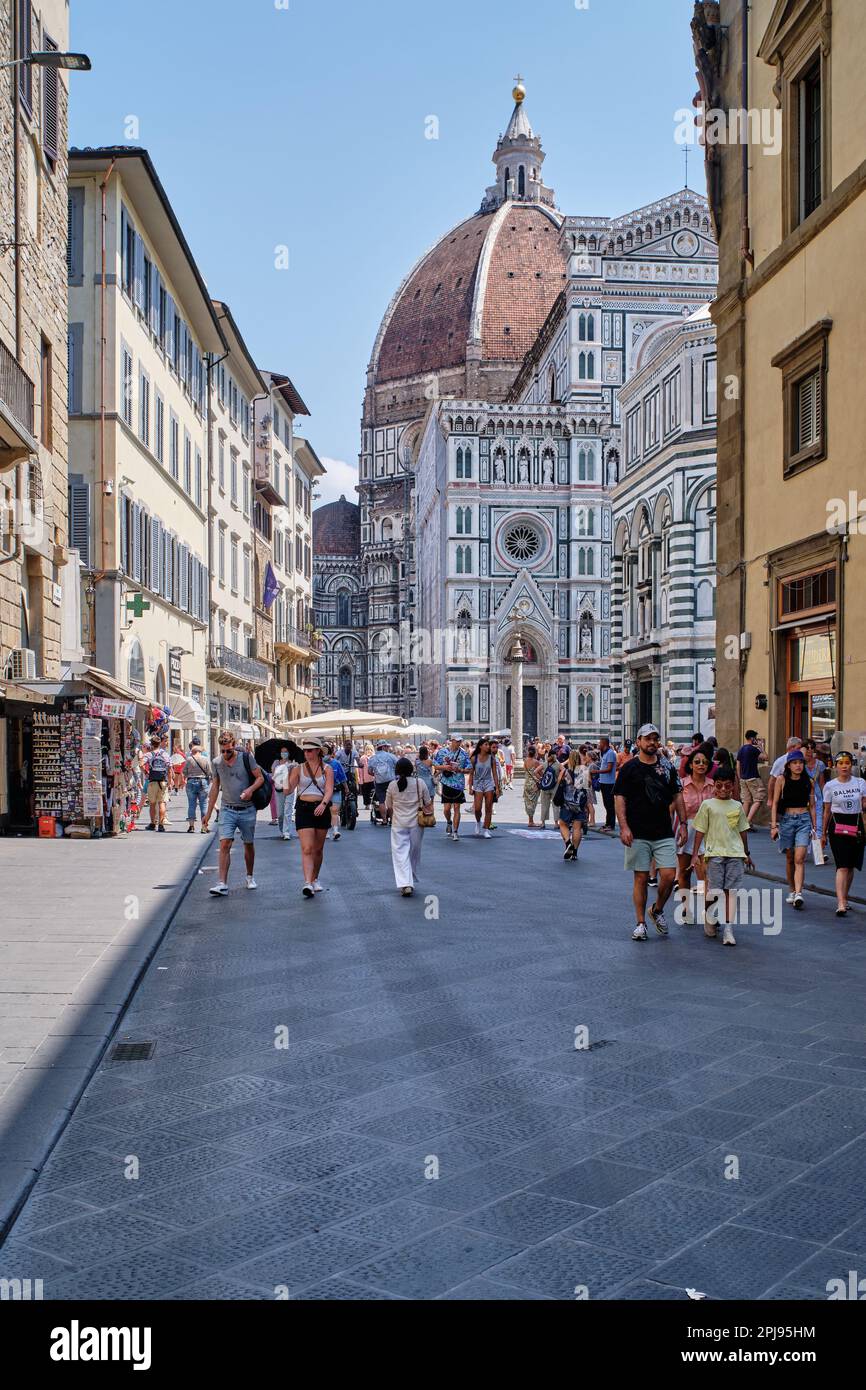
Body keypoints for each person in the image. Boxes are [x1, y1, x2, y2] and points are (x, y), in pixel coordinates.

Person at [613, 723, 688, 941]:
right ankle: (640, 923)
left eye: (655, 739)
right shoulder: (629, 768)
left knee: (668, 876)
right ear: (638, 742)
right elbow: (620, 798)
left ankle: (657, 910)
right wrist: (624, 827)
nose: (652, 743)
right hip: (637, 832)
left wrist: (683, 824)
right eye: (648, 739)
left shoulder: (667, 767)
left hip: (663, 830)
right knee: (641, 878)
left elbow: (677, 795)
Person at [690, 767, 754, 946]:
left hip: (735, 854)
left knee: (730, 892)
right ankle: (710, 917)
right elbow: (700, 831)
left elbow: (742, 831)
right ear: (714, 787)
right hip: (714, 853)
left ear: (733, 787)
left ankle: (728, 929)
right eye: (719, 786)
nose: (724, 790)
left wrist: (747, 853)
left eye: (727, 786)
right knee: (715, 891)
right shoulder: (708, 805)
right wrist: (695, 854)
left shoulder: (738, 806)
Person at [202, 730, 264, 895]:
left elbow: (260, 778)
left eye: (228, 750)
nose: (225, 754)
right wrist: (208, 813)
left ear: (234, 746)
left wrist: (250, 790)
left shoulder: (246, 758)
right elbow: (215, 787)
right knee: (225, 843)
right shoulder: (217, 763)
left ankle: (250, 877)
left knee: (248, 844)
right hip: (227, 809)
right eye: (222, 751)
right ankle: (222, 883)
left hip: (247, 809)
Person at [285, 738, 335, 897]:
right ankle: (307, 882)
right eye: (305, 750)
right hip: (303, 809)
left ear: (318, 751)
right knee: (307, 848)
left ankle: (315, 878)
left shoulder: (327, 769)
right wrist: (282, 777)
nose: (306, 753)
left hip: (321, 809)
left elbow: (329, 789)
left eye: (310, 750)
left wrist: (324, 804)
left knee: (318, 849)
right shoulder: (298, 768)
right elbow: (288, 791)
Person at [820, 752, 866, 916]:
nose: (844, 766)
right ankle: (840, 903)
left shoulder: (860, 782)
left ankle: (845, 898)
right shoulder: (830, 786)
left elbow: (864, 807)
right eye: (841, 763)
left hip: (856, 824)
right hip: (837, 826)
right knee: (842, 865)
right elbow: (826, 811)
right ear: (836, 766)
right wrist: (823, 833)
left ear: (851, 765)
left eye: (847, 763)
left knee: (851, 864)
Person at [770, 748, 815, 910]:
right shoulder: (781, 780)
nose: (798, 766)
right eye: (795, 763)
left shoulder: (808, 781)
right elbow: (775, 803)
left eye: (800, 763)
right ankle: (791, 889)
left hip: (804, 820)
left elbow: (813, 806)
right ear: (788, 765)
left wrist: (815, 828)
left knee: (799, 858)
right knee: (790, 858)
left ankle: (798, 893)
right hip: (787, 821)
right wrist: (774, 825)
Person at [385, 756, 433, 896]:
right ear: (412, 769)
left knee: (400, 854)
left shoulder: (392, 785)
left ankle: (405, 883)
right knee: (413, 852)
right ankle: (409, 878)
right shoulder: (420, 783)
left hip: (398, 823)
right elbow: (428, 802)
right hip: (416, 824)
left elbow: (389, 806)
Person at [677, 747, 715, 895]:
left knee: (707, 874)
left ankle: (708, 914)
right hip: (687, 829)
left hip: (708, 832)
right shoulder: (681, 784)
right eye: (697, 762)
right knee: (685, 873)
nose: (701, 765)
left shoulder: (713, 785)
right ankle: (686, 911)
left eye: (704, 762)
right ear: (691, 765)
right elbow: (672, 808)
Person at [433, 735, 472, 840]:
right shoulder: (442, 752)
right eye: (456, 741)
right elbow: (435, 765)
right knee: (446, 809)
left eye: (460, 741)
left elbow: (469, 768)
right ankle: (449, 822)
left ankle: (455, 831)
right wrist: (445, 767)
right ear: (451, 741)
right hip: (446, 782)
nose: (458, 743)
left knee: (456, 808)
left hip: (458, 784)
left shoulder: (463, 753)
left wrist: (460, 770)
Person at [556, 749, 590, 861]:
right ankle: (575, 852)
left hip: (567, 803)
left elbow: (558, 783)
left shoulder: (565, 772)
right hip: (580, 803)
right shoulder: (584, 771)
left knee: (562, 823)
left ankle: (568, 843)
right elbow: (588, 785)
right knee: (577, 827)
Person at [469, 736, 501, 838]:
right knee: (477, 808)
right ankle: (478, 822)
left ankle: (486, 829)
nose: (488, 746)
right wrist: (470, 787)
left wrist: (497, 787)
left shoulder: (491, 758)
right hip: (478, 783)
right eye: (486, 745)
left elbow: (495, 774)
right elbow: (471, 773)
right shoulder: (474, 758)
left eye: (488, 745)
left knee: (488, 808)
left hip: (488, 782)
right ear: (480, 746)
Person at [736, 730, 768, 826]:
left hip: (743, 778)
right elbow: (766, 757)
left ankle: (742, 822)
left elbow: (738, 765)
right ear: (752, 738)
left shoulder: (741, 749)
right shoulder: (753, 749)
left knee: (746, 801)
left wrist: (739, 777)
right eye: (755, 738)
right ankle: (747, 821)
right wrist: (761, 747)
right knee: (758, 799)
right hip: (753, 778)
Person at [183, 735, 212, 833]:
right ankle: (204, 827)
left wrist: (189, 775)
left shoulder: (189, 759)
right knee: (203, 805)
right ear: (200, 751)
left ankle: (191, 826)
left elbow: (184, 772)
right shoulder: (205, 759)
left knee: (191, 805)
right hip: (203, 782)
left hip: (191, 782)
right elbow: (209, 772)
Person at [802, 739, 827, 846]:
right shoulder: (799, 762)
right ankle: (801, 848)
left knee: (818, 824)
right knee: (805, 824)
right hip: (803, 797)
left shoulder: (819, 764)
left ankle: (819, 853)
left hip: (817, 797)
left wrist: (826, 798)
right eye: (807, 748)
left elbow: (822, 783)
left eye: (812, 747)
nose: (810, 750)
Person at [144, 736, 170, 832]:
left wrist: (145, 773)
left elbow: (141, 763)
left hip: (152, 781)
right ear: (160, 744)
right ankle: (161, 824)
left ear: (151, 744)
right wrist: (170, 781)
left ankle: (152, 823)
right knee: (162, 803)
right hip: (163, 781)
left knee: (152, 803)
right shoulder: (165, 754)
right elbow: (169, 768)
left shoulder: (149, 754)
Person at [768, 736, 803, 806]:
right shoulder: (780, 761)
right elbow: (772, 781)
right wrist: (770, 799)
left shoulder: (801, 761)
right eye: (798, 748)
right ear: (791, 748)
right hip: (782, 797)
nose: (800, 750)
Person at [368, 741, 397, 824]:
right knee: (391, 801)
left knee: (381, 801)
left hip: (379, 782)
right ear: (383, 747)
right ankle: (392, 820)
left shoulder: (373, 758)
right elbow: (398, 765)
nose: (388, 748)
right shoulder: (391, 756)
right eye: (387, 746)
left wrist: (376, 774)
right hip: (391, 781)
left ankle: (384, 820)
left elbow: (369, 771)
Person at [271, 748, 296, 840]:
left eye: (286, 751)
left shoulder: (293, 763)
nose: (284, 753)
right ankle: (282, 830)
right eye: (282, 751)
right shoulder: (276, 763)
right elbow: (273, 775)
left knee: (288, 812)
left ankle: (287, 832)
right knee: (280, 813)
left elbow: (295, 776)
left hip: (290, 789)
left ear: (289, 753)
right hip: (279, 789)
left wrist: (291, 768)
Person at [325, 744, 346, 841]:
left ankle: (335, 831)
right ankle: (327, 831)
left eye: (327, 754)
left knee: (334, 810)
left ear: (331, 754)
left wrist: (346, 788)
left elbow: (342, 777)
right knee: (326, 812)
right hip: (323, 791)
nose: (325, 756)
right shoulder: (318, 764)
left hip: (335, 790)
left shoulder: (336, 763)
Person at [597, 735, 617, 832]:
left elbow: (609, 769)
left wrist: (596, 772)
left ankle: (611, 825)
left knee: (609, 804)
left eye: (600, 743)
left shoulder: (610, 753)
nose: (598, 745)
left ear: (604, 744)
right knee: (606, 804)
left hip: (609, 783)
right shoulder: (604, 753)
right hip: (604, 782)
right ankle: (607, 823)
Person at [522, 743, 544, 828]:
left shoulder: (525, 761)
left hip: (527, 783)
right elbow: (541, 773)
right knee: (533, 802)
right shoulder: (536, 762)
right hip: (534, 784)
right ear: (535, 753)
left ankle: (530, 820)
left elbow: (525, 770)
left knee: (528, 802)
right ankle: (531, 821)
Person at [537, 750, 559, 827]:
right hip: (555, 786)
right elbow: (564, 771)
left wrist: (542, 778)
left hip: (545, 786)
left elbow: (535, 771)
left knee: (544, 805)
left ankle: (543, 823)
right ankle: (556, 823)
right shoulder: (558, 764)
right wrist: (558, 780)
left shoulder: (545, 764)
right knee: (555, 805)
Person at [356, 744, 375, 808]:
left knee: (365, 792)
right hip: (374, 778)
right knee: (374, 792)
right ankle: (374, 804)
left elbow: (360, 770)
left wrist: (361, 779)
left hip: (365, 779)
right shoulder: (374, 757)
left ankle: (367, 805)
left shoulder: (362, 758)